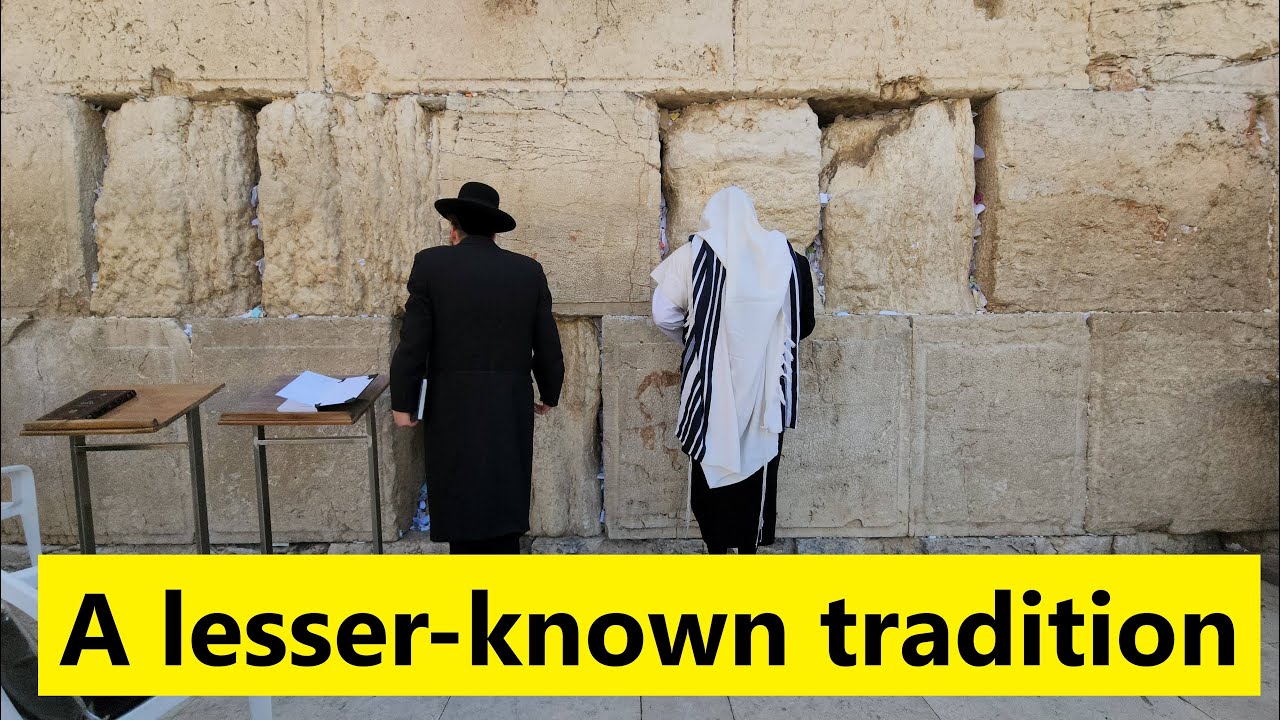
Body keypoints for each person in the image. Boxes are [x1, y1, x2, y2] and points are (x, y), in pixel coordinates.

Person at [390, 181, 564, 555]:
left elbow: (413, 342)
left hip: (452, 403)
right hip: (509, 401)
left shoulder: (431, 264)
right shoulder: (528, 271)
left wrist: (404, 402)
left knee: (459, 490)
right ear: (495, 230)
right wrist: (550, 392)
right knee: (504, 487)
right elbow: (547, 343)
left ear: (454, 228)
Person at [650, 186, 815, 554]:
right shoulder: (790, 261)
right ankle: (748, 550)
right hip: (766, 391)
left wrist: (697, 344)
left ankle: (716, 549)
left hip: (708, 387)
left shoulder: (691, 256)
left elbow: (663, 314)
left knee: (711, 458)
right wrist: (763, 344)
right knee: (758, 468)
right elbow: (803, 326)